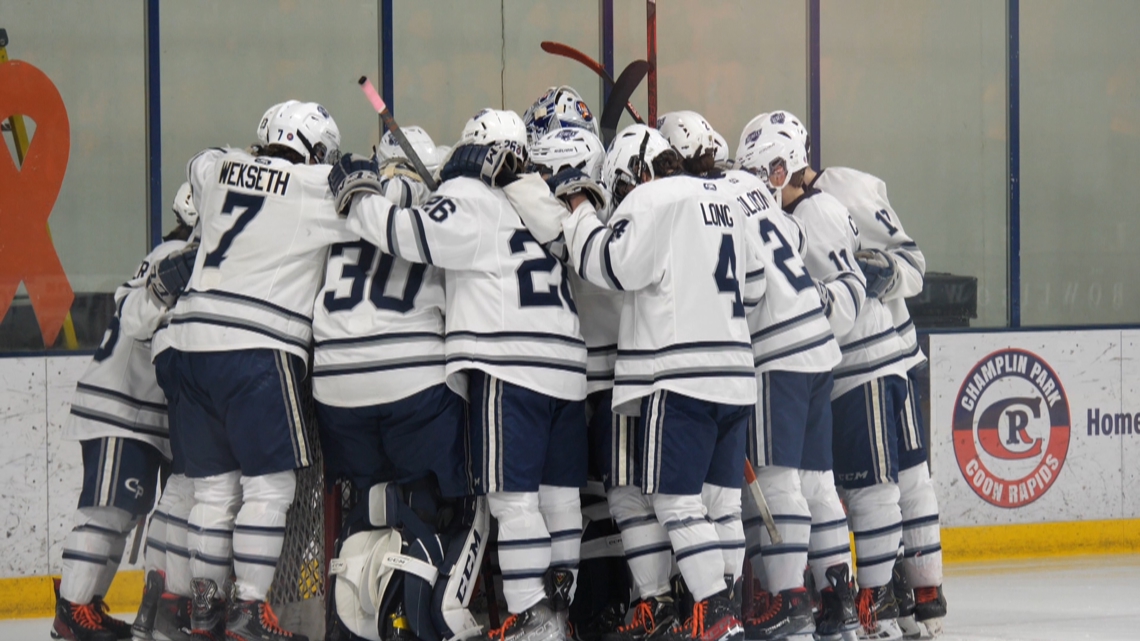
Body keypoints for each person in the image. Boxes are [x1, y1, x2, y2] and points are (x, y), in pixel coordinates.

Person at [328, 108, 589, 641]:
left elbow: (411, 235)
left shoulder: (472, 196)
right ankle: (559, 615)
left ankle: (531, 617)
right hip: (566, 361)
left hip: (507, 359)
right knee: (559, 496)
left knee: (511, 500)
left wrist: (357, 200)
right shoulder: (541, 201)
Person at [506, 123, 768, 641]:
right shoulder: (727, 200)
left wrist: (579, 210)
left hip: (678, 376)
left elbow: (610, 265)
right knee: (720, 504)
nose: (620, 199)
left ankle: (712, 612)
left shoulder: (651, 198)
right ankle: (718, 602)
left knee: (669, 502)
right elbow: (754, 286)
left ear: (637, 174)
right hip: (737, 376)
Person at [748, 111, 945, 637]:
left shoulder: (842, 194)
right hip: (844, 366)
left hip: (873, 358)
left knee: (887, 484)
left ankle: (889, 595)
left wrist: (873, 273)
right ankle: (908, 592)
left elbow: (913, 265)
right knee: (883, 482)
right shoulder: (784, 211)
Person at [163, 100, 352, 641]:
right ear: (314, 149)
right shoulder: (315, 183)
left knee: (214, 492)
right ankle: (248, 610)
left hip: (190, 345)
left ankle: (206, 610)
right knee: (268, 489)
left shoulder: (218, 166)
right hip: (257, 346)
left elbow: (198, 163)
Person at [312, 126, 487, 641]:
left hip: (337, 384)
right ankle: (426, 622)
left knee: (365, 505)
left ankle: (352, 624)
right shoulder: (438, 208)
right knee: (441, 504)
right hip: (414, 381)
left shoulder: (341, 204)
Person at [53, 186, 199, 641]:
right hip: (123, 407)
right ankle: (72, 611)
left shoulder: (169, 250)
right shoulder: (182, 255)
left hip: (137, 409)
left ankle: (84, 606)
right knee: (107, 513)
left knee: (122, 512)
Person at [527, 127, 635, 641]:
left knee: (596, 500)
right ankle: (620, 608)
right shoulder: (622, 211)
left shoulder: (538, 216)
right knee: (623, 499)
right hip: (614, 380)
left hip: (575, 380)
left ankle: (587, 613)